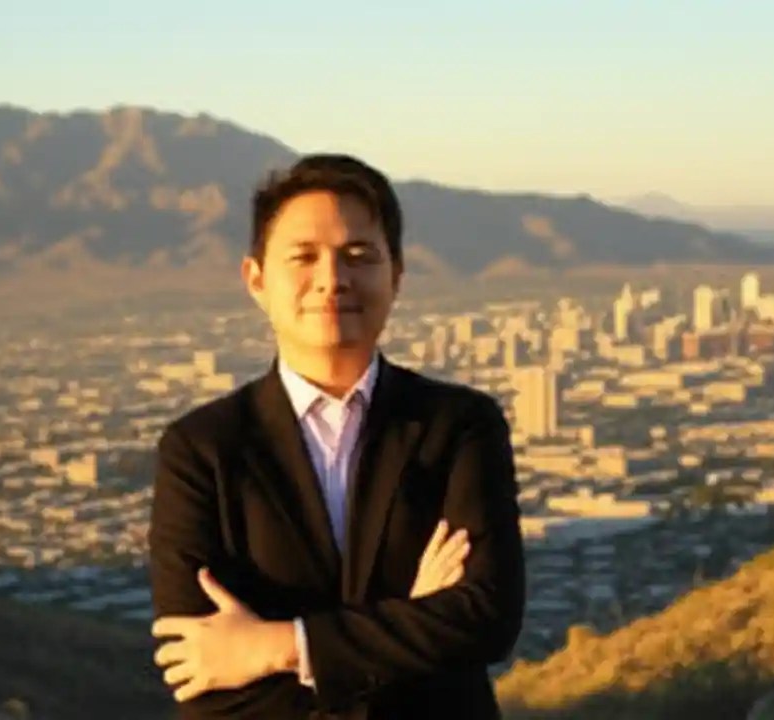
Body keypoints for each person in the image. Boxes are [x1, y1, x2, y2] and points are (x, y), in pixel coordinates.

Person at [148, 153, 525, 719]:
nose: (332, 280)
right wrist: (411, 625)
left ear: (396, 276)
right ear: (256, 279)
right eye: (304, 257)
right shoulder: (202, 451)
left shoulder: (459, 426)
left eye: (358, 256)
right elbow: (203, 679)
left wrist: (276, 647)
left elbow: (486, 618)